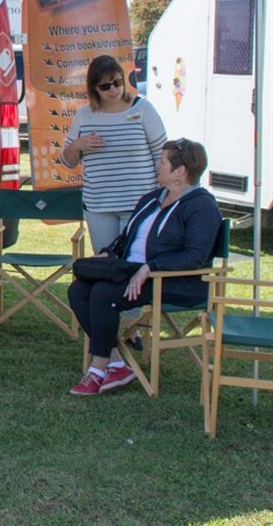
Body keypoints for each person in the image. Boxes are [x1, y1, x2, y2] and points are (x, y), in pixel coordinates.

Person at [66, 138, 222, 395]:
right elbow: (126, 237)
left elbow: (195, 256)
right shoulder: (151, 198)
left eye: (162, 162)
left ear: (180, 171)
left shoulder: (202, 206)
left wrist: (150, 267)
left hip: (174, 281)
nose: (156, 166)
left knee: (103, 294)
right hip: (132, 273)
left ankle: (98, 368)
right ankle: (116, 362)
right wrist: (108, 254)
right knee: (78, 290)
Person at [60, 54, 167, 253]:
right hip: (99, 205)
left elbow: (161, 155)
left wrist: (162, 193)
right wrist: (77, 145)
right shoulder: (84, 115)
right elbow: (67, 161)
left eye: (117, 82)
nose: (113, 89)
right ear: (94, 88)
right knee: (104, 260)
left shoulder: (143, 109)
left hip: (138, 201)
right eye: (105, 86)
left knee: (133, 259)